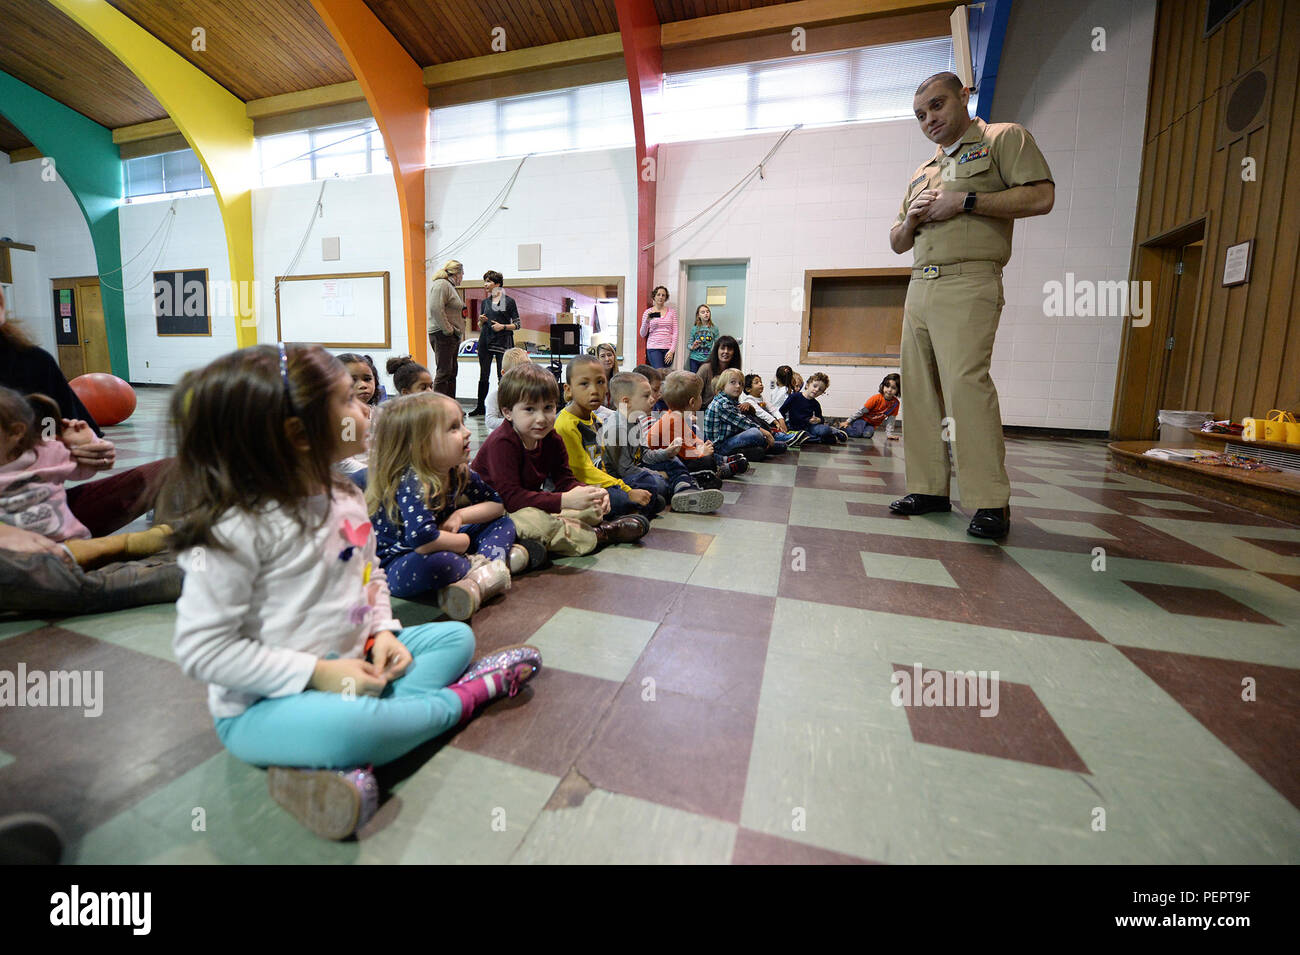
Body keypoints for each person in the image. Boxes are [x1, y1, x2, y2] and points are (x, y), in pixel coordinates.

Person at [169, 343, 542, 841]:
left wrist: (383, 633)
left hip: (357, 664)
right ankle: (472, 695)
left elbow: (370, 579)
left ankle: (342, 758)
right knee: (349, 728)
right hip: (266, 706)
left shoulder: (345, 495)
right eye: (350, 400)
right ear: (298, 434)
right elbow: (202, 652)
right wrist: (320, 674)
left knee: (455, 639)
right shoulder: (238, 527)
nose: (367, 409)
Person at [888, 71, 1053, 539]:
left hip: (969, 279)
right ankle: (928, 488)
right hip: (920, 284)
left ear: (964, 96)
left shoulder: (1004, 138)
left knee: (966, 388)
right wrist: (913, 219)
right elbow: (897, 240)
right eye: (921, 115)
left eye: (937, 106)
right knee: (918, 390)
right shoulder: (923, 171)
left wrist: (965, 202)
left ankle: (988, 502)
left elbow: (1042, 196)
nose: (930, 120)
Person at [0, 286, 168, 538]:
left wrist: (92, 449)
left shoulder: (32, 363)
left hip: (44, 510)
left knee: (175, 471)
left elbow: (57, 433)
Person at [0, 387, 178, 614]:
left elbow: (86, 462)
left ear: (16, 432)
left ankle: (178, 545)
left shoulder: (44, 451)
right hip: (31, 557)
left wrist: (87, 442)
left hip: (68, 539)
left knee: (176, 468)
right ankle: (150, 566)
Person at [367, 392, 537, 618]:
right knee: (440, 563)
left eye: (463, 424)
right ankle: (492, 566)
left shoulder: (457, 471)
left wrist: (460, 516)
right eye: (454, 428)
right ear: (420, 445)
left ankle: (483, 570)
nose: (467, 433)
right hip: (401, 560)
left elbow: (496, 505)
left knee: (503, 522)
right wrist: (464, 542)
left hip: (445, 539)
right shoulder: (412, 480)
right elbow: (423, 540)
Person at [472, 363, 650, 556]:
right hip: (495, 514)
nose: (541, 418)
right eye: (529, 410)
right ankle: (603, 534)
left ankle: (541, 542)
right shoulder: (503, 442)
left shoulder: (551, 438)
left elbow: (565, 480)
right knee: (536, 520)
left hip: (525, 504)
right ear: (507, 412)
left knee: (592, 509)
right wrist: (565, 500)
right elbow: (511, 498)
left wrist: (593, 493)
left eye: (548, 408)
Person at [599, 371, 723, 514]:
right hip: (621, 478)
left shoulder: (635, 420)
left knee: (672, 460)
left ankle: (684, 490)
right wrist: (657, 474)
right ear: (626, 402)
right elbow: (625, 471)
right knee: (657, 483)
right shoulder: (616, 429)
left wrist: (667, 453)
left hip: (637, 469)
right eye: (646, 396)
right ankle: (681, 486)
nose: (653, 399)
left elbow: (645, 455)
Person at [553, 354, 655, 519]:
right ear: (568, 390)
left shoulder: (596, 420)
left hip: (597, 483)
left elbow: (601, 464)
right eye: (584, 384)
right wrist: (626, 490)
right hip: (573, 488)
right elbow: (583, 472)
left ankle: (632, 512)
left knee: (648, 486)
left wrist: (622, 485)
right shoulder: (565, 424)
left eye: (600, 382)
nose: (594, 390)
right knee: (621, 498)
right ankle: (624, 517)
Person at [645, 371, 745, 487]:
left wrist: (701, 444)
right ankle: (709, 475)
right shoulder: (672, 421)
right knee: (705, 461)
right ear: (692, 402)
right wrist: (701, 452)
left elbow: (691, 436)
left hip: (674, 457)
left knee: (706, 457)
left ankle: (715, 470)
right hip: (661, 463)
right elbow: (684, 453)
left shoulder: (677, 415)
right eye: (700, 395)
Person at [470, 270, 519, 417]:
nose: (485, 284)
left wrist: (502, 326)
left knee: (502, 376)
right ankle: (480, 407)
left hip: (502, 341)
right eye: (485, 281)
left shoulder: (509, 301)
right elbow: (480, 324)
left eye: (489, 281)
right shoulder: (485, 302)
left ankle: (503, 408)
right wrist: (480, 321)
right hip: (485, 340)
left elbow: (517, 324)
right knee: (483, 374)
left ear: (497, 284)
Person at [703, 368, 775, 459]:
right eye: (733, 382)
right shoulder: (722, 403)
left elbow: (746, 418)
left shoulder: (730, 400)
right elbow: (743, 422)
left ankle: (763, 447)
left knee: (756, 430)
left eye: (741, 383)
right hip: (719, 447)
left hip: (729, 439)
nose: (738, 386)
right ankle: (766, 445)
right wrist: (767, 434)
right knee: (755, 433)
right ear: (722, 385)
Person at [428, 260, 467, 398]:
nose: (462, 277)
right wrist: (448, 329)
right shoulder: (441, 285)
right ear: (457, 273)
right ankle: (439, 408)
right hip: (442, 335)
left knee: (451, 372)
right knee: (444, 372)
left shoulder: (450, 287)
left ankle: (450, 405)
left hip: (451, 336)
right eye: (462, 274)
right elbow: (435, 308)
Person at [781, 372, 847, 444]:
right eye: (815, 386)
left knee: (825, 430)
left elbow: (821, 419)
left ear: (822, 393)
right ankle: (823, 438)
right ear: (807, 385)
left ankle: (832, 432)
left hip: (810, 427)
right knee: (798, 436)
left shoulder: (816, 404)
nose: (816, 390)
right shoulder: (794, 397)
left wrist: (818, 420)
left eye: (820, 390)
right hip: (794, 427)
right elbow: (782, 411)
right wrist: (782, 424)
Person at [839, 373, 901, 438]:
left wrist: (889, 434)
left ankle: (854, 430)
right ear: (883, 386)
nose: (889, 390)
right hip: (862, 420)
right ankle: (841, 428)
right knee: (857, 433)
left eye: (893, 388)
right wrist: (847, 421)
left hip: (871, 424)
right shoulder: (876, 398)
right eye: (887, 386)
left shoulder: (895, 404)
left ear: (898, 390)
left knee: (867, 435)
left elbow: (891, 420)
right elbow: (861, 411)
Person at [484, 347, 531, 432]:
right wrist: (514, 422)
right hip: (502, 438)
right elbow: (490, 421)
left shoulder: (529, 394)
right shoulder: (495, 396)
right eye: (516, 376)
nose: (522, 380)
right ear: (504, 374)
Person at [695, 335, 743, 405]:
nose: (726, 351)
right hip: (703, 412)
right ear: (717, 350)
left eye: (729, 349)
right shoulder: (705, 369)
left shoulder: (735, 372)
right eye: (722, 348)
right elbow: (693, 395)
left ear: (734, 353)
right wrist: (697, 416)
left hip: (725, 412)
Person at [639, 285, 678, 370]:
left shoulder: (672, 312)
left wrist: (672, 350)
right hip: (654, 348)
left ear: (666, 298)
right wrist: (647, 321)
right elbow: (642, 334)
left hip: (668, 349)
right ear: (654, 296)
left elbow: (675, 332)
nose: (661, 297)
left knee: (665, 374)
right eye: (658, 294)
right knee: (659, 373)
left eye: (663, 295)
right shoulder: (648, 312)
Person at [687, 305, 718, 374]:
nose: (706, 314)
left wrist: (714, 356)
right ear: (698, 315)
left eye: (707, 311)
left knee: (706, 380)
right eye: (703, 312)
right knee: (694, 380)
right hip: (694, 359)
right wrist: (692, 346)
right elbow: (689, 344)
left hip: (707, 359)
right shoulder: (694, 328)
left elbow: (717, 344)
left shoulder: (714, 328)